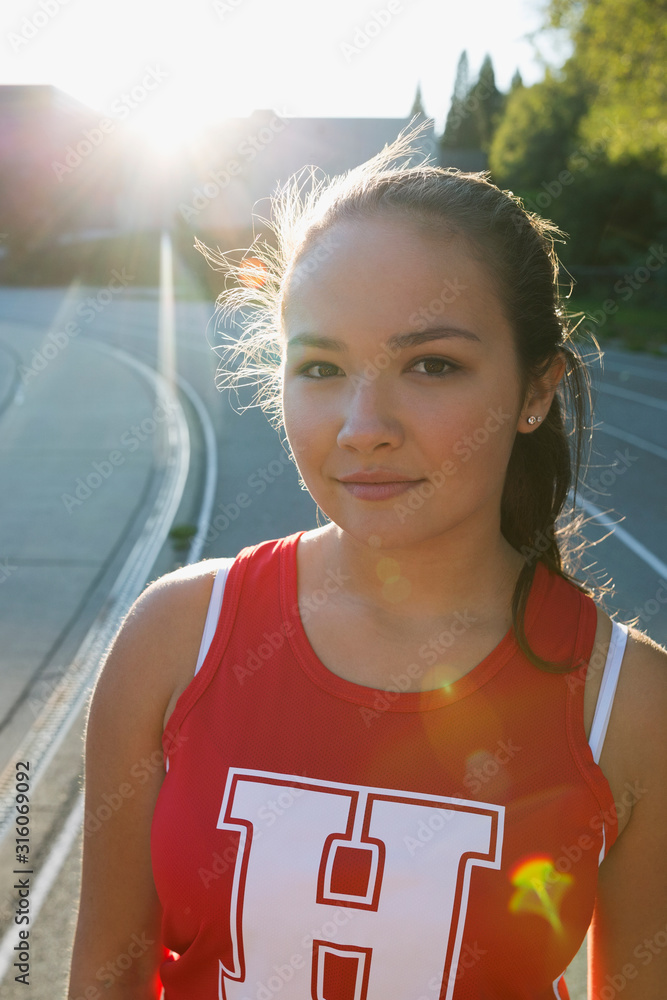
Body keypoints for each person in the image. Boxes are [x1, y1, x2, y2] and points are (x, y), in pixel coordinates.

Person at [68, 121, 667, 1000]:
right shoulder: (174, 637)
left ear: (535, 390)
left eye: (430, 364)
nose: (361, 427)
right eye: (319, 368)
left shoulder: (631, 704)